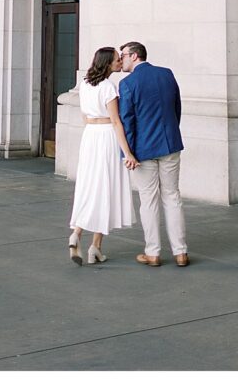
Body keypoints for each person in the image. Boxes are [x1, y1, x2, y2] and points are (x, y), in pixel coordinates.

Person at [117, 41, 189, 268]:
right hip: (170, 145)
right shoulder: (166, 74)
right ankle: (181, 252)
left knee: (148, 200)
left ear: (135, 56)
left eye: (124, 56)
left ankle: (153, 252)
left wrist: (126, 152)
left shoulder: (128, 83)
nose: (122, 60)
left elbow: (126, 121)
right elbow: (177, 107)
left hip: (142, 150)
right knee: (172, 197)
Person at [67, 47, 136, 265]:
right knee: (105, 188)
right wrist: (128, 153)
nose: (119, 62)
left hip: (90, 136)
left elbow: (84, 116)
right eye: (116, 60)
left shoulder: (86, 84)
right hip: (106, 137)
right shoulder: (108, 87)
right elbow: (116, 122)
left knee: (90, 185)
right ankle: (92, 243)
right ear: (107, 63)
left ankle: (83, 237)